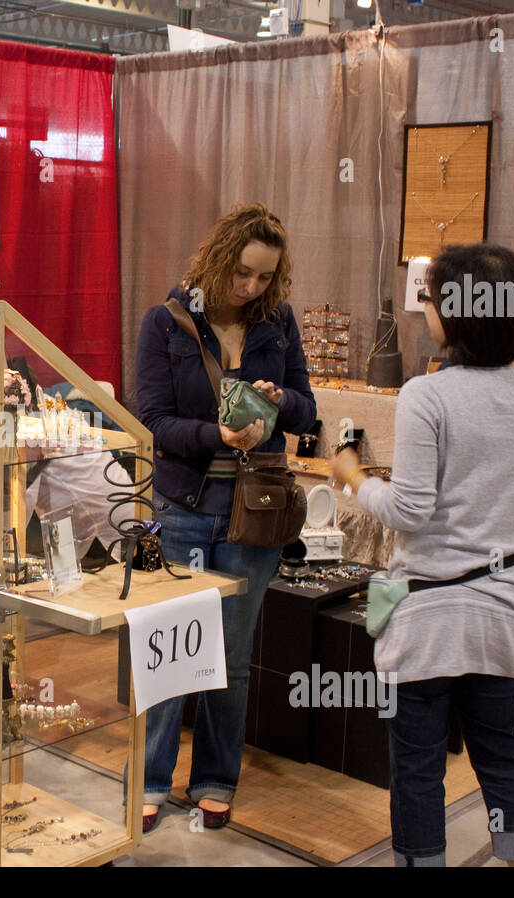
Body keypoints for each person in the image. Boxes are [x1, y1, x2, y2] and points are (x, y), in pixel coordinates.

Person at [330, 243, 514, 867]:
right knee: (500, 752)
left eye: (430, 298)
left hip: (428, 614)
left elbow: (409, 511)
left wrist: (354, 477)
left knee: (417, 769)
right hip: (505, 607)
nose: (424, 308)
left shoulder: (426, 396)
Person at [134, 203, 315, 831]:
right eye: (242, 273)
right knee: (168, 651)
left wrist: (280, 398)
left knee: (230, 657)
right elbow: (153, 422)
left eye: (265, 278)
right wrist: (218, 435)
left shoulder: (278, 324)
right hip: (181, 508)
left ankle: (214, 778)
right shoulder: (166, 323)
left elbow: (305, 412)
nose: (252, 288)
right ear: (216, 260)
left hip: (254, 513)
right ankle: (152, 779)